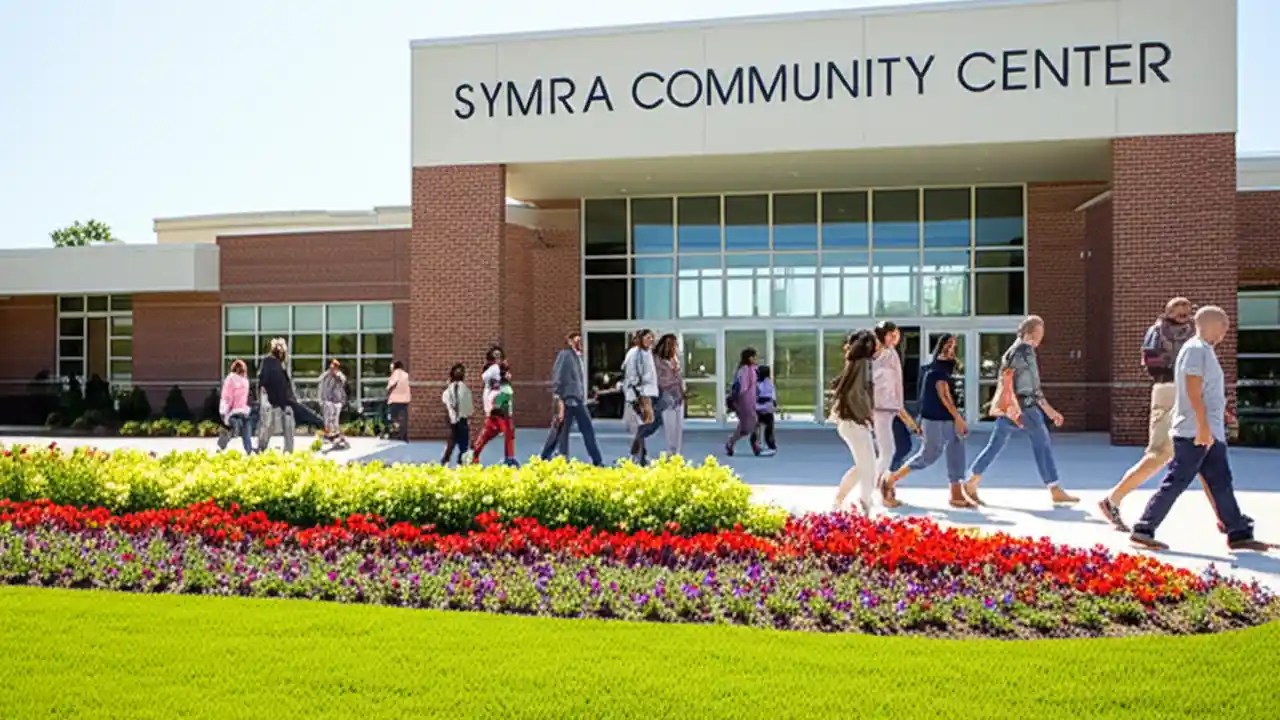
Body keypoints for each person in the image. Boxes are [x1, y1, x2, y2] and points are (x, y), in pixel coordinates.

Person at [1099, 297, 1254, 535]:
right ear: (1167, 310)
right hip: (1169, 391)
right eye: (1177, 308)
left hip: (1185, 393)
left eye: (1187, 309)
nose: (1183, 313)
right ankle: (1114, 500)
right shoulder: (1159, 332)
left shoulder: (1194, 335)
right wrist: (1183, 373)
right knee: (1161, 454)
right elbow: (1152, 362)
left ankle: (1228, 517)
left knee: (1204, 457)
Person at [1129, 306, 1268, 552]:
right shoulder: (1195, 350)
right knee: (1177, 480)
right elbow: (1193, 388)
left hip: (1208, 431)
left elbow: (1206, 391)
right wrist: (1203, 427)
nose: (1226, 329)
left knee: (1221, 481)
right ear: (1211, 324)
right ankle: (1144, 528)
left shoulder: (1203, 350)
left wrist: (1220, 416)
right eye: (1223, 324)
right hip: (1195, 432)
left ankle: (1238, 533)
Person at [964, 316, 1078, 506]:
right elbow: (1033, 387)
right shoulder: (1025, 352)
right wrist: (1049, 411)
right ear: (1029, 332)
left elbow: (1008, 382)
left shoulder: (1010, 352)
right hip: (1025, 407)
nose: (1041, 337)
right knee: (1042, 444)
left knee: (996, 444)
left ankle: (972, 481)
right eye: (1039, 333)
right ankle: (1054, 488)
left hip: (1010, 408)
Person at [882, 334, 970, 508]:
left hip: (947, 418)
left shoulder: (947, 367)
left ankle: (956, 491)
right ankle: (891, 479)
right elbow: (943, 395)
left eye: (954, 344)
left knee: (956, 449)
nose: (952, 348)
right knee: (929, 455)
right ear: (942, 346)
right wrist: (958, 417)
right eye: (949, 344)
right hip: (935, 418)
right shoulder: (936, 368)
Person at [831, 330, 878, 515]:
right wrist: (867, 415)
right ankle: (865, 506)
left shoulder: (854, 362)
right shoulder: (864, 364)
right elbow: (860, 394)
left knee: (862, 467)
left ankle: (839, 500)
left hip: (848, 422)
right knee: (869, 468)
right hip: (855, 422)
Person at [540, 331, 604, 466]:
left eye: (580, 341)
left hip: (578, 400)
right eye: (576, 340)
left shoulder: (578, 357)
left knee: (570, 430)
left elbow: (579, 380)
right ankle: (551, 457)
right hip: (568, 399)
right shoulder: (565, 355)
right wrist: (559, 399)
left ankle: (596, 460)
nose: (579, 343)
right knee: (565, 430)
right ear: (569, 342)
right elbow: (558, 377)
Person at [871, 321, 919, 483]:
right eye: (892, 334)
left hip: (893, 407)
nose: (896, 337)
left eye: (897, 334)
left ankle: (886, 481)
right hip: (883, 409)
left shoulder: (891, 353)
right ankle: (881, 483)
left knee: (901, 446)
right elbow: (881, 383)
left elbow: (896, 385)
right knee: (889, 451)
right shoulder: (879, 355)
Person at [623, 329, 663, 465]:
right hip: (641, 393)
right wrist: (637, 393)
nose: (651, 340)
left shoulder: (648, 353)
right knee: (651, 422)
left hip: (649, 393)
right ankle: (637, 450)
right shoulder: (635, 353)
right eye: (648, 338)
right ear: (640, 339)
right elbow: (632, 374)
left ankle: (641, 455)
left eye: (652, 338)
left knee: (648, 422)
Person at [472, 362, 517, 467]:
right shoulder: (499, 388)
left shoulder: (504, 386)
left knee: (509, 435)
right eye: (508, 372)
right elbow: (496, 403)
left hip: (503, 416)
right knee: (487, 436)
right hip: (497, 416)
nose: (510, 375)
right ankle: (474, 454)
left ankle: (509, 458)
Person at [257, 338, 296, 453]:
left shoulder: (280, 363)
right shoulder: (269, 362)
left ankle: (287, 450)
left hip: (283, 401)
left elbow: (285, 382)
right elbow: (263, 382)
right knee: (270, 426)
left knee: (286, 426)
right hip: (274, 400)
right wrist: (264, 399)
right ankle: (262, 447)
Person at [653, 333, 686, 457]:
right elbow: (659, 379)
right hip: (667, 396)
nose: (672, 347)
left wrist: (682, 391)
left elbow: (679, 377)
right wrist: (673, 383)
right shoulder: (657, 360)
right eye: (670, 344)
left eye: (674, 344)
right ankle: (670, 451)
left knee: (679, 426)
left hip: (678, 395)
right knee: (670, 425)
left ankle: (676, 452)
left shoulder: (674, 359)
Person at [725, 347, 761, 457]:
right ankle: (734, 442)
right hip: (745, 402)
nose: (756, 359)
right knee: (749, 426)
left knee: (748, 426)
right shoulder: (746, 370)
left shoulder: (751, 369)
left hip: (751, 401)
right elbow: (743, 388)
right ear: (750, 358)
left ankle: (734, 443)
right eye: (754, 357)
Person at [216, 358, 253, 453]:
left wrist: (224, 412)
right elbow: (247, 397)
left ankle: (221, 446)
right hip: (243, 410)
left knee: (231, 429)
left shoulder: (230, 379)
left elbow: (227, 396)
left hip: (233, 411)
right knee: (246, 432)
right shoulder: (245, 381)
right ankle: (249, 450)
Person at [441, 363, 473, 465]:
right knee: (463, 443)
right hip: (462, 420)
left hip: (453, 420)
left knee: (452, 442)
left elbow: (446, 404)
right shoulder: (465, 390)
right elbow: (469, 409)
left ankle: (445, 461)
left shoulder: (447, 390)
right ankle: (461, 462)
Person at [317, 360, 351, 451]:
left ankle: (337, 436)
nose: (332, 369)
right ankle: (328, 435)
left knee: (335, 419)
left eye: (334, 367)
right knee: (328, 418)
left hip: (337, 401)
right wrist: (321, 400)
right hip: (327, 400)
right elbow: (321, 385)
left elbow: (343, 382)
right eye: (331, 367)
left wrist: (337, 376)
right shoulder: (325, 376)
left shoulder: (340, 376)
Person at [753, 365, 778, 456]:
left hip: (766, 409)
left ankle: (771, 447)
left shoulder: (768, 383)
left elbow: (767, 397)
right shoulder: (756, 383)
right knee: (754, 429)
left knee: (768, 429)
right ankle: (756, 447)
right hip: (757, 409)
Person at [386, 361, 411, 442]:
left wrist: (388, 390)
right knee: (404, 419)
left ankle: (396, 434)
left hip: (395, 399)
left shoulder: (395, 374)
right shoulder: (406, 375)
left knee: (394, 418)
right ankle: (404, 435)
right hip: (405, 400)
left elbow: (391, 384)